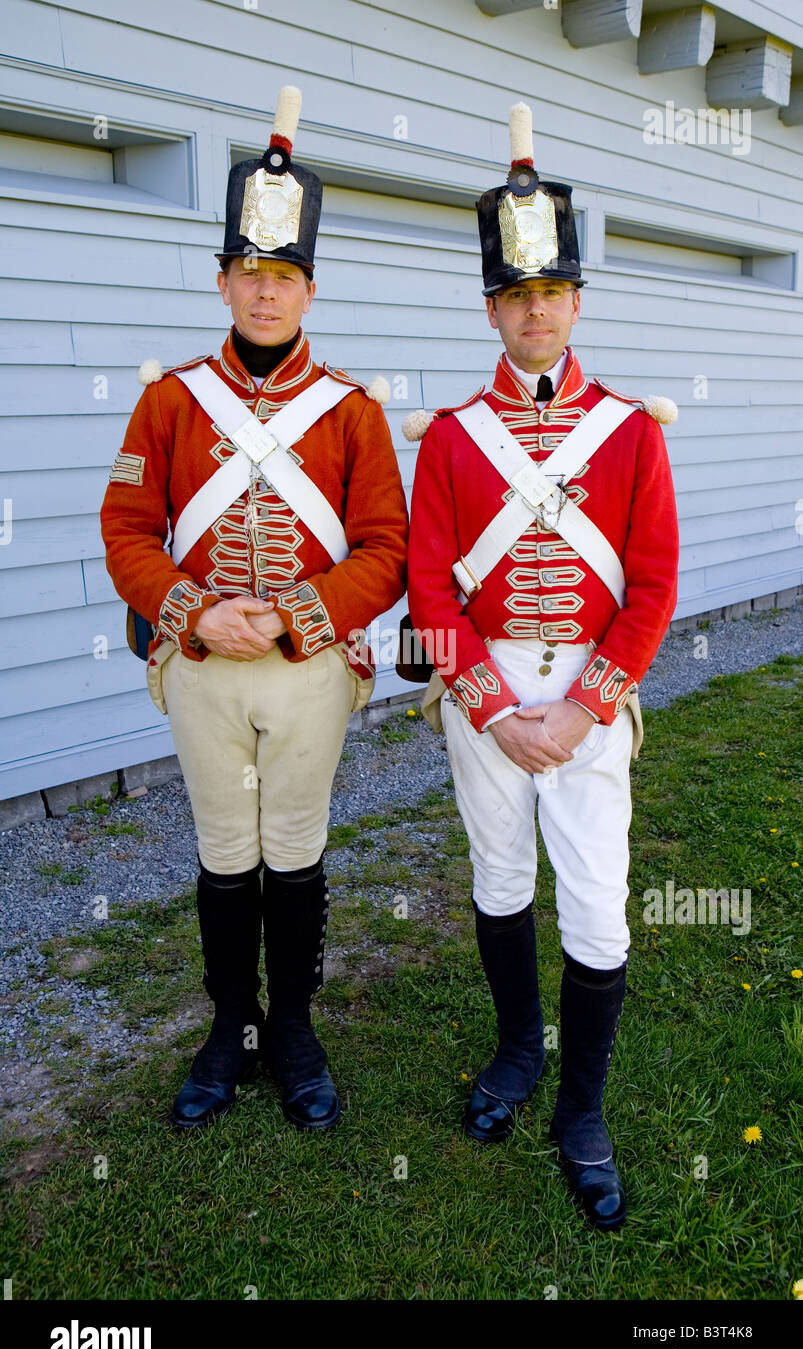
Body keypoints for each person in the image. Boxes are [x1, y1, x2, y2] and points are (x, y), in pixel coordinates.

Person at [100, 86, 408, 1134]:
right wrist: (194, 612)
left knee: (297, 849)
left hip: (309, 667)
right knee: (225, 850)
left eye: (283, 278)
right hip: (200, 663)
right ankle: (232, 1028)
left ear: (306, 289)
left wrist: (292, 618)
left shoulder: (354, 413)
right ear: (222, 280)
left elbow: (387, 549)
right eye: (249, 275)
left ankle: (297, 1031)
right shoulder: (171, 399)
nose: (264, 294)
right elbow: (126, 529)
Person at [405, 103, 679, 1230]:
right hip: (483, 696)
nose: (533, 312)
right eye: (513, 296)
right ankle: (518, 1051)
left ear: (574, 302)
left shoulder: (628, 431)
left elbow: (654, 584)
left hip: (587, 697)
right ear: (492, 308)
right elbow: (428, 589)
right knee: (499, 881)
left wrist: (579, 708)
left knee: (599, 910)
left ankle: (580, 1106)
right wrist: (489, 703)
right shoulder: (450, 437)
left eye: (550, 293)